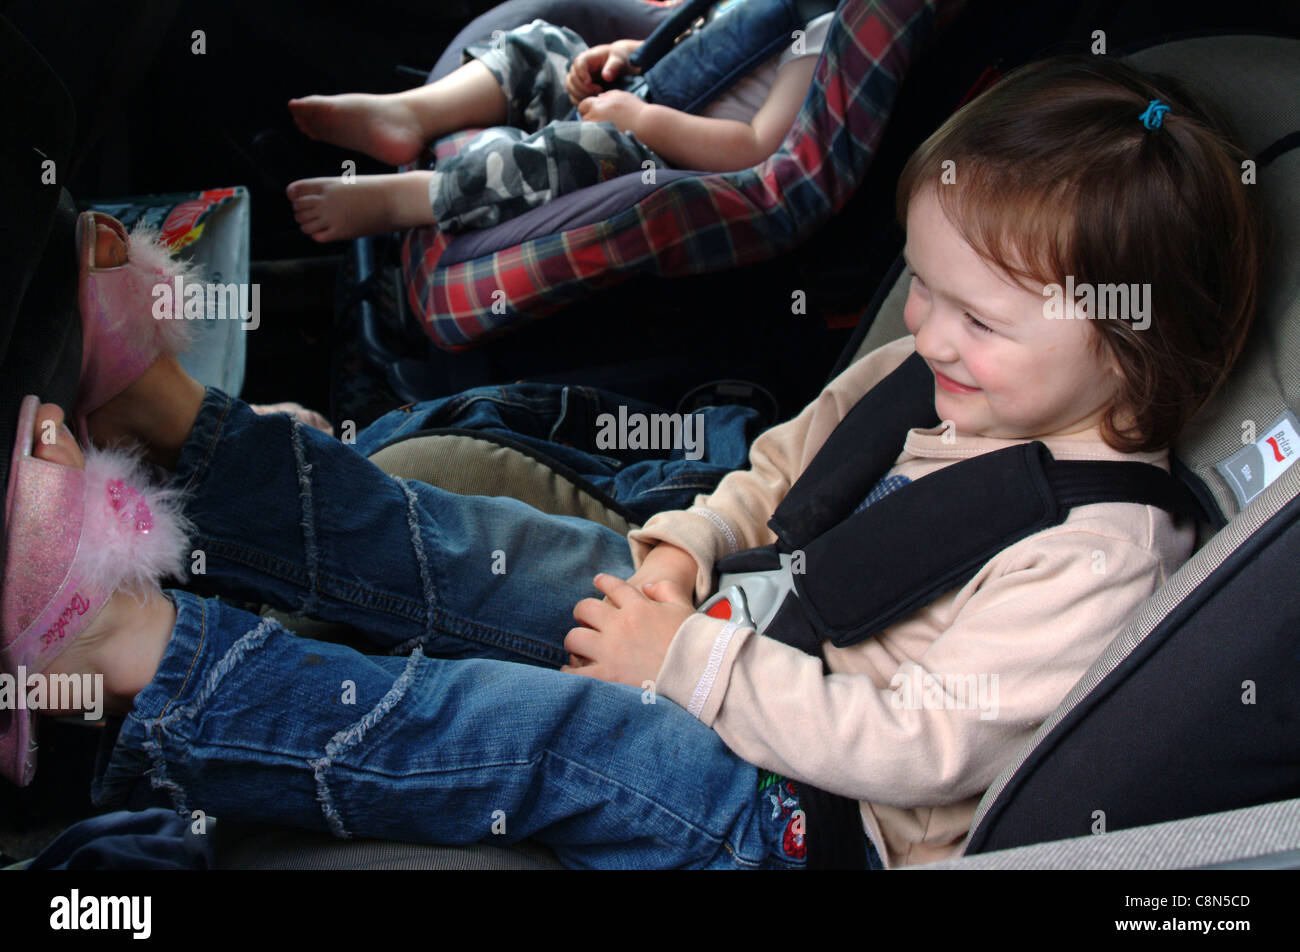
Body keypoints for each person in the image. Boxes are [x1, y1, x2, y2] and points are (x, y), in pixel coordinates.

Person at [2, 54, 1262, 868]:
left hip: (795, 813)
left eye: (973, 316)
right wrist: (693, 541)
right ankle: (172, 417)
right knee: (458, 544)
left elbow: (918, 748)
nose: (923, 329)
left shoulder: (1096, 551)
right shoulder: (931, 374)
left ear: (1136, 334)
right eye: (921, 289)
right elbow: (789, 466)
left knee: (528, 731)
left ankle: (132, 655)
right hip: (737, 617)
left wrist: (685, 660)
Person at [284, 3, 836, 239]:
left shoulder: (816, 34)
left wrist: (641, 118)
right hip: (639, 93)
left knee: (581, 149)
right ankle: (410, 112)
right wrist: (621, 55)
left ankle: (408, 198)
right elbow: (688, 40)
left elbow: (755, 145)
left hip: (675, 155)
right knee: (544, 44)